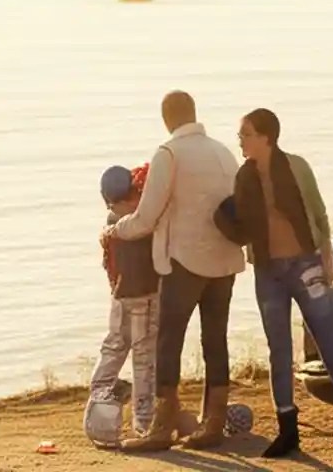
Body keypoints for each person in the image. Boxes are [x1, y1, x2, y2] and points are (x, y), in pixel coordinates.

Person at [216, 108, 333, 462]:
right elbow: (243, 224)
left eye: (245, 134)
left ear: (265, 137)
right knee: (279, 351)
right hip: (268, 272)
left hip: (305, 266)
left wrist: (326, 258)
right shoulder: (243, 177)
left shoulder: (296, 166)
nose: (241, 141)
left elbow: (319, 213)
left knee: (331, 346)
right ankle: (288, 432)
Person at [104, 91, 243, 452]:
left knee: (169, 342)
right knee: (215, 341)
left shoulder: (169, 153)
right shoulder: (224, 151)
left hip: (185, 262)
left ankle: (162, 428)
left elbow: (147, 217)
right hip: (226, 260)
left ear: (167, 119)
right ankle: (212, 422)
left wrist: (115, 230)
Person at [85, 163, 160, 447]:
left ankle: (98, 406)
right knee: (144, 358)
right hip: (144, 296)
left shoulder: (110, 221)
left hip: (120, 296)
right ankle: (144, 422)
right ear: (129, 196)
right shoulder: (135, 225)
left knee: (113, 349)